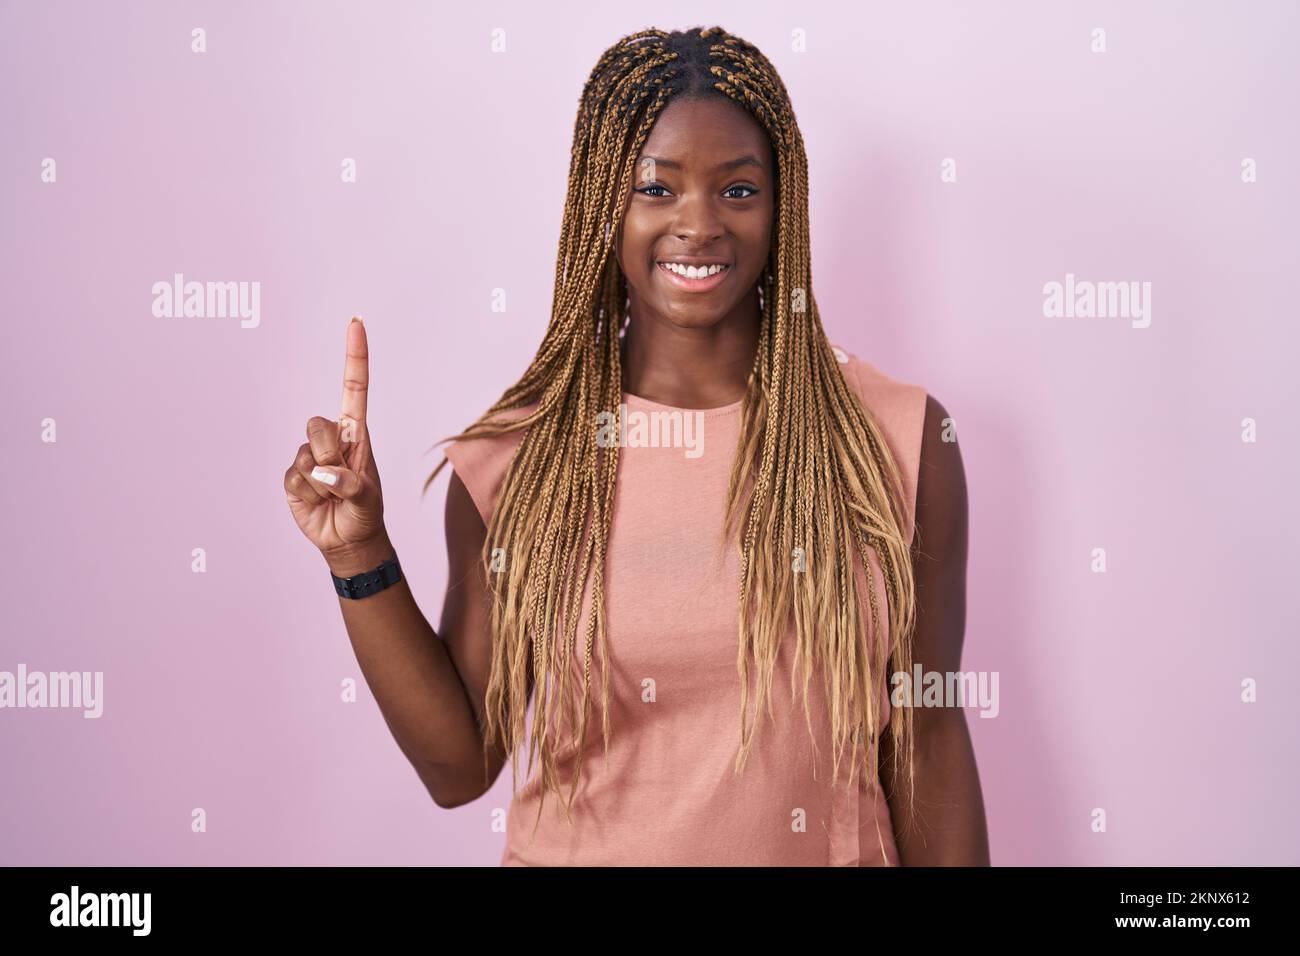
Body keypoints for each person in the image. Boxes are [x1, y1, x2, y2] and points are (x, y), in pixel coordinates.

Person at [283, 26, 988, 866]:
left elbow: (930, 733)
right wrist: (359, 554)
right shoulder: (520, 466)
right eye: (657, 189)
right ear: (600, 207)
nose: (699, 224)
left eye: (737, 189)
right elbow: (460, 766)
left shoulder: (900, 441)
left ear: (781, 206)